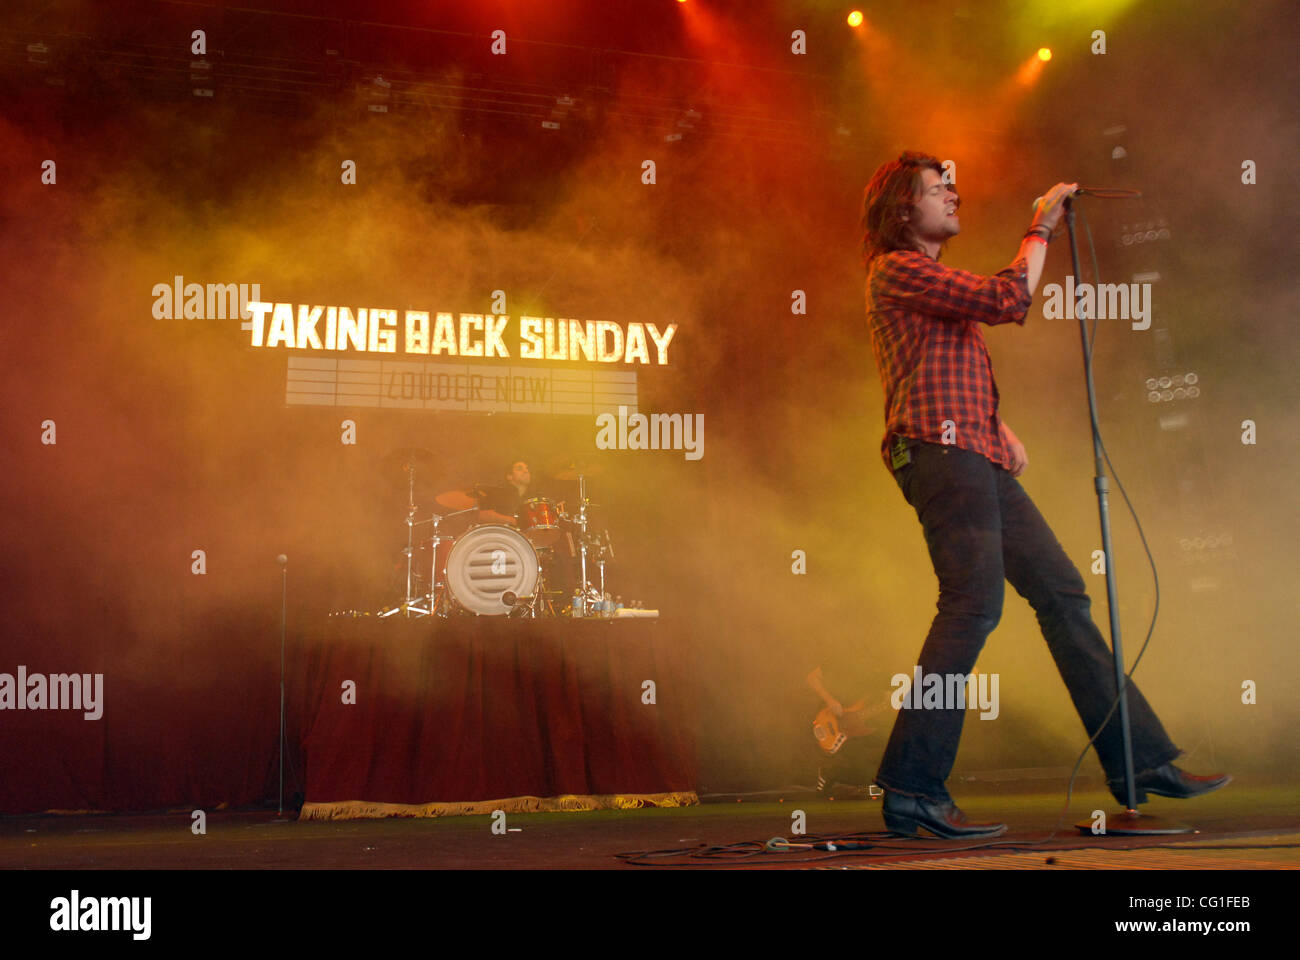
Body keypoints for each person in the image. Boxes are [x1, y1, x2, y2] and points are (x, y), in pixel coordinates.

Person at [860, 151, 1229, 839]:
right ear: (903, 209)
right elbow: (1008, 300)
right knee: (971, 607)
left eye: (952, 186)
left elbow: (936, 370)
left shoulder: (930, 280)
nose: (954, 197)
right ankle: (912, 786)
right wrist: (1041, 228)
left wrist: (997, 430)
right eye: (939, 190)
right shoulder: (896, 269)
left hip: (973, 453)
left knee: (1062, 593)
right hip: (943, 457)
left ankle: (1136, 760)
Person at [477, 460, 531, 527]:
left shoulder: (532, 498)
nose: (526, 471)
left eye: (527, 469)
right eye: (519, 469)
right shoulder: (497, 493)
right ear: (509, 476)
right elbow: (482, 515)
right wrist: (510, 520)